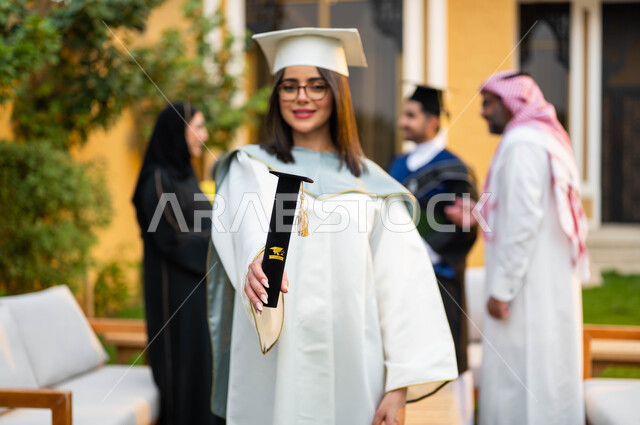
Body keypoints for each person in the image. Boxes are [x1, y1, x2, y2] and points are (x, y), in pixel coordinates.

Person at [206, 28, 458, 425]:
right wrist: (256, 260)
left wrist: (399, 388)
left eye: (316, 86)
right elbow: (245, 224)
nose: (301, 97)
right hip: (275, 360)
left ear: (338, 94)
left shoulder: (372, 186)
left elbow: (403, 289)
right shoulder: (250, 166)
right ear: (277, 96)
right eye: (289, 86)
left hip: (353, 362)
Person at [447, 71, 589, 425]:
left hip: (527, 290)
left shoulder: (522, 142)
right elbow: (525, 209)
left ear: (514, 103)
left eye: (488, 103)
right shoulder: (544, 139)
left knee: (523, 380)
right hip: (545, 282)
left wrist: (502, 289)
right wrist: (480, 214)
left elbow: (524, 219)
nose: (482, 112)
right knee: (547, 376)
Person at [132, 103, 223, 425]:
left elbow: (209, 226)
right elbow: (173, 237)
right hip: (176, 299)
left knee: (205, 371)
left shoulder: (186, 177)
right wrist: (223, 249)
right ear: (177, 131)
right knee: (185, 374)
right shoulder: (158, 179)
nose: (205, 135)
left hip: (201, 293)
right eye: (197, 127)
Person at [389, 86, 478, 374]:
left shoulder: (454, 169)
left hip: (439, 275)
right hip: (398, 272)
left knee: (442, 354)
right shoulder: (397, 165)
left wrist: (424, 249)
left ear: (432, 122)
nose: (403, 122)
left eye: (410, 116)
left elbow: (464, 224)